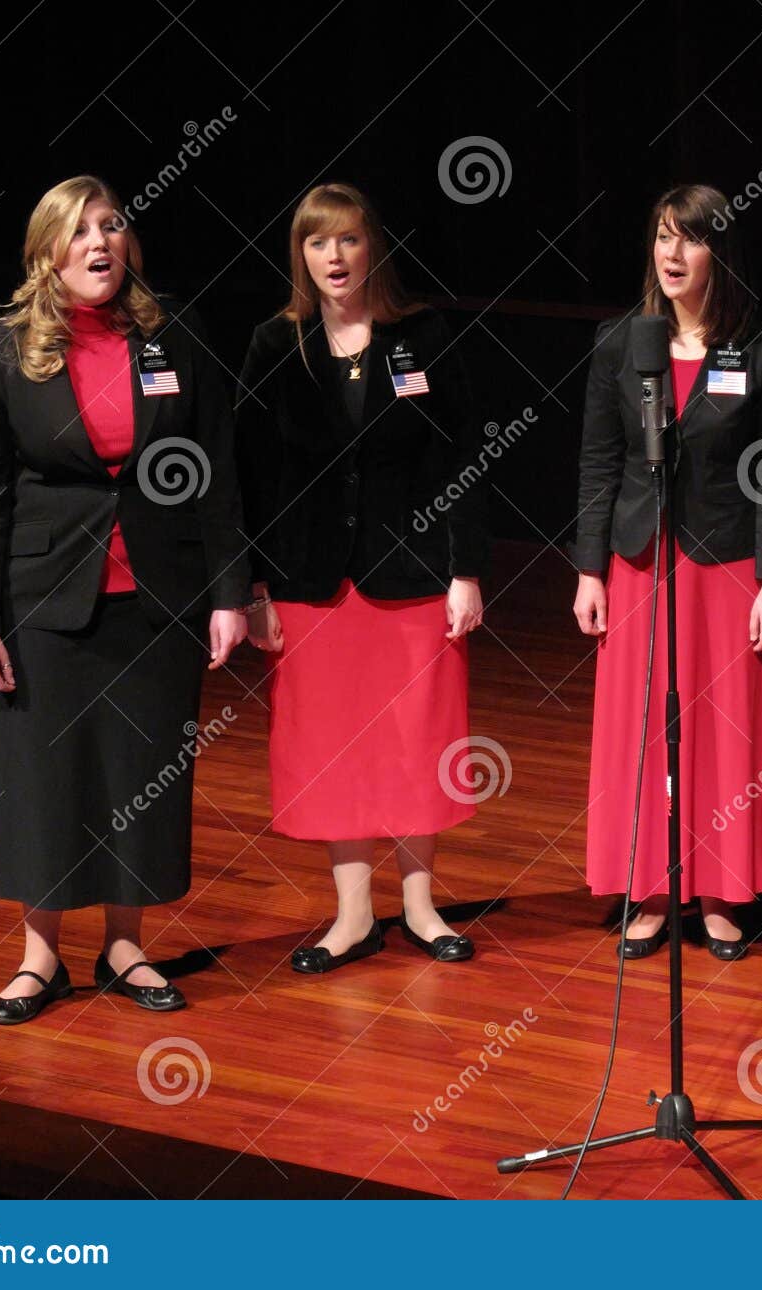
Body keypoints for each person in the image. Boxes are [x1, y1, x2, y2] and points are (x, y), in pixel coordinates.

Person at [0, 175, 251, 1024]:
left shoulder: (173, 334)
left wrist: (230, 591)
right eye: (81, 231)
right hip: (42, 597)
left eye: (112, 227)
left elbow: (217, 471)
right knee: (43, 778)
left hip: (158, 593)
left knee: (143, 777)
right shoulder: (1, 348)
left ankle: (126, 946)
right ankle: (39, 957)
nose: (100, 244)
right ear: (48, 251)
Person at [236, 183, 488, 972]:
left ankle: (418, 907)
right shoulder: (276, 346)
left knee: (417, 741)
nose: (334, 257)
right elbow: (247, 473)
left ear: (371, 246)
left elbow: (464, 458)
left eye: (347, 240)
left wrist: (467, 570)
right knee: (333, 746)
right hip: (310, 580)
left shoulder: (423, 335)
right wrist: (249, 587)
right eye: (318, 244)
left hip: (411, 575)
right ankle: (352, 915)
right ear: (300, 256)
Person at [574, 183, 762, 962]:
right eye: (663, 238)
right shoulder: (622, 343)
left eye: (690, 240)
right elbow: (600, 461)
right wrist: (588, 569)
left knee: (723, 723)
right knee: (642, 726)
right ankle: (648, 885)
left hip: (728, 561)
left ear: (719, 253)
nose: (672, 254)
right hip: (640, 560)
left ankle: (721, 890)